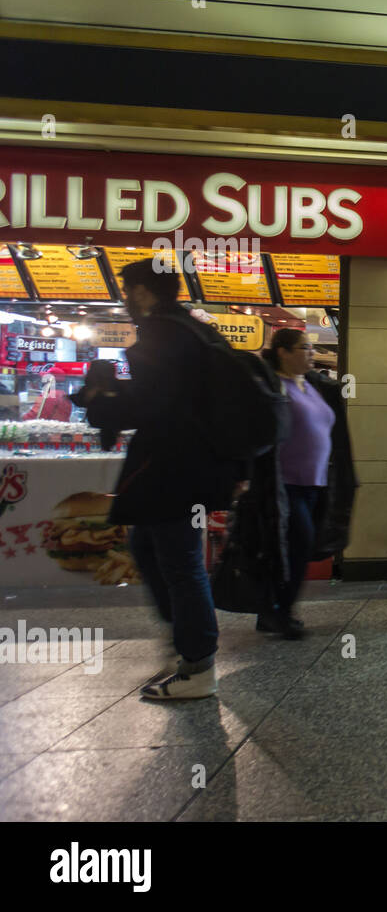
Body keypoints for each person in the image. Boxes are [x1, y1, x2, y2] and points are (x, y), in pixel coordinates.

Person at [76, 260, 240, 700]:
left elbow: (151, 408)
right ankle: (185, 642)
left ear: (144, 291)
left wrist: (105, 399)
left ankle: (197, 665)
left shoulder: (164, 335)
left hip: (172, 471)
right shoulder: (192, 330)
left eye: (127, 289)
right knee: (149, 548)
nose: (124, 299)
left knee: (180, 564)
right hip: (190, 467)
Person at [251, 328, 357, 638]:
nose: (311, 353)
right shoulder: (272, 386)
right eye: (304, 348)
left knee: (296, 545)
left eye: (311, 348)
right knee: (299, 542)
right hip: (283, 483)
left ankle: (269, 610)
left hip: (317, 483)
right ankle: (281, 612)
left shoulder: (313, 385)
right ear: (282, 352)